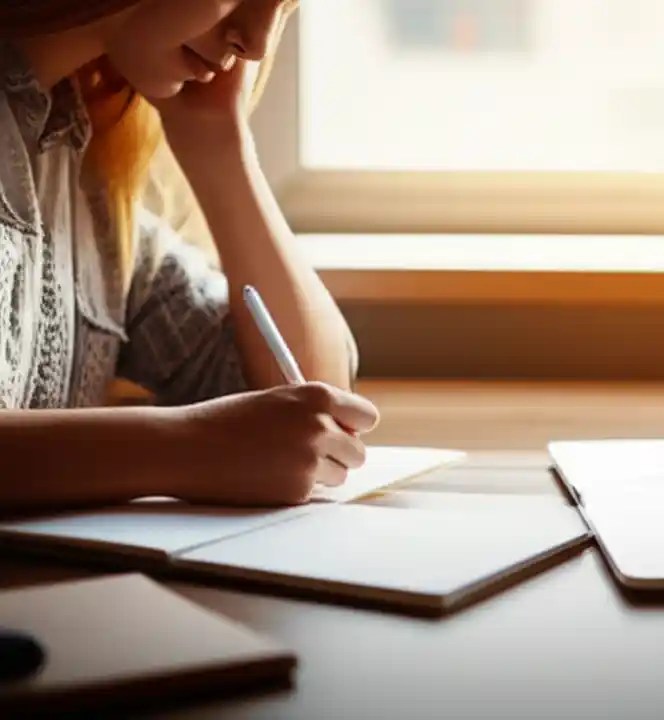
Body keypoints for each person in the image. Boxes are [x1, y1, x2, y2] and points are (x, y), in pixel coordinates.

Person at [0, 1, 380, 512]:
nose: (259, 43)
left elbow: (313, 413)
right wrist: (184, 447)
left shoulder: (83, 172)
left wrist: (220, 143)